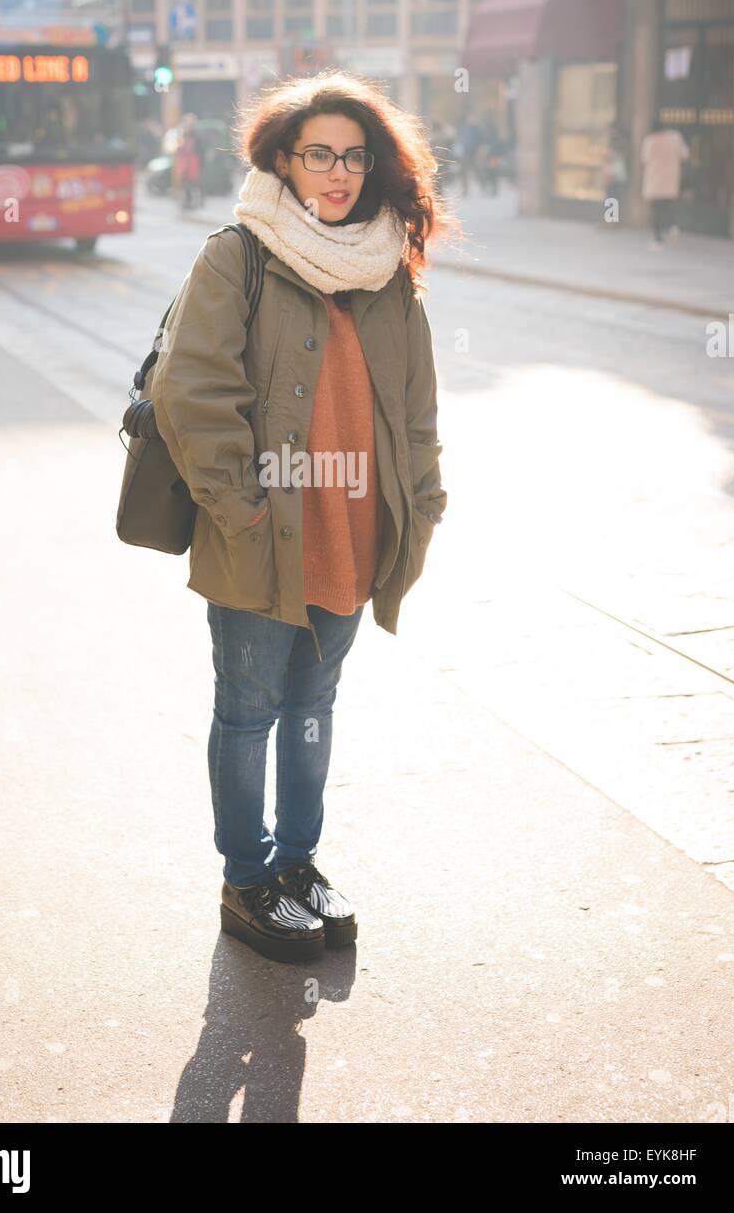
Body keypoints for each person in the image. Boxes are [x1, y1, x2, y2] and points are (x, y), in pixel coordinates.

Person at [150, 71, 449, 964]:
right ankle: (247, 881)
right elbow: (191, 392)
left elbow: (418, 405)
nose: (339, 172)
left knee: (313, 705)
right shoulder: (237, 255)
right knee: (248, 711)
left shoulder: (388, 270)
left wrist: (423, 501)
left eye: (354, 156)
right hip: (260, 536)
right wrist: (236, 506)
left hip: (355, 533)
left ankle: (299, 861)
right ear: (284, 159)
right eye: (319, 153)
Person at [640, 117, 690, 248]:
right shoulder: (675, 137)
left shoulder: (649, 140)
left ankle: (657, 238)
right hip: (670, 177)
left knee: (656, 208)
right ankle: (673, 226)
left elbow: (644, 158)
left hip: (654, 178)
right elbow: (685, 154)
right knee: (669, 203)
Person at [175, 114, 203, 210]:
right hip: (184, 163)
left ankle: (194, 202)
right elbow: (179, 149)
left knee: (193, 184)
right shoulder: (182, 135)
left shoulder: (197, 136)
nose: (186, 126)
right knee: (185, 184)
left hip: (193, 163)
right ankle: (187, 202)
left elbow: (200, 151)